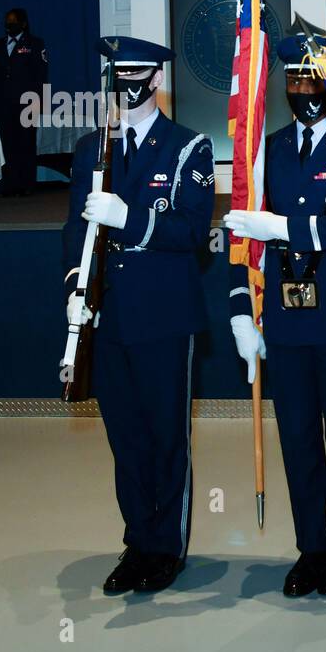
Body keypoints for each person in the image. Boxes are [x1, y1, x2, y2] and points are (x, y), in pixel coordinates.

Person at [62, 36, 214, 595]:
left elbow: (193, 233)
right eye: (117, 72)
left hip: (164, 315)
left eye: (136, 72)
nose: (126, 81)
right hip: (109, 317)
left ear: (156, 79)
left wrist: (128, 217)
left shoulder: (188, 148)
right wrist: (76, 288)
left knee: (167, 436)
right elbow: (74, 230)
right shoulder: (91, 149)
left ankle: (167, 547)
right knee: (125, 438)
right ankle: (137, 540)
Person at [222, 36, 326, 598]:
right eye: (293, 80)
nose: (303, 90)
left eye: (313, 79)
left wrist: (285, 229)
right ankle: (311, 545)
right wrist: (242, 308)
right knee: (298, 437)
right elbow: (241, 232)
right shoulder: (270, 150)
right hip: (284, 316)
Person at [0, 8, 48, 196]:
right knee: (8, 144)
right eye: (6, 21)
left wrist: (39, 100)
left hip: (27, 103)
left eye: (12, 21)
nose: (8, 25)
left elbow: (41, 75)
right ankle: (10, 184)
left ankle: (27, 184)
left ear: (23, 24)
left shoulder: (35, 44)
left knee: (26, 143)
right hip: (2, 102)